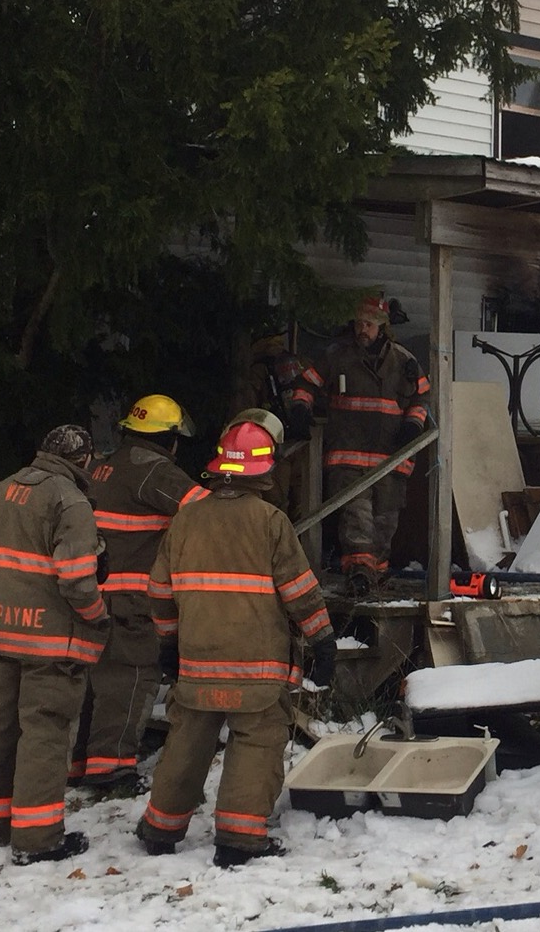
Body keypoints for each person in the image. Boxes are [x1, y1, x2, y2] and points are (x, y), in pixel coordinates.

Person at [135, 411, 337, 867]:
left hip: (197, 664)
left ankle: (160, 829)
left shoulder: (185, 521)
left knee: (187, 741)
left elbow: (160, 592)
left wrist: (169, 643)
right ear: (266, 469)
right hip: (257, 669)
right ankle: (240, 839)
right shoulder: (270, 521)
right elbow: (299, 592)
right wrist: (322, 641)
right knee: (256, 742)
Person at [0, 424, 110, 865]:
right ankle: (37, 838)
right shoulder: (70, 501)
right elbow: (77, 580)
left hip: (3, 633)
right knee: (44, 734)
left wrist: (12, 599)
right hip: (53, 643)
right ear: (84, 459)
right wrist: (98, 619)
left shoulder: (2, 490)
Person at [72, 394, 208, 796]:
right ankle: (111, 770)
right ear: (169, 438)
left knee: (93, 681)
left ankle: (80, 762)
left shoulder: (102, 468)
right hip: (130, 600)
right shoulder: (154, 471)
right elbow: (208, 515)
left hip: (90, 595)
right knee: (130, 680)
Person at [310, 294, 429, 592]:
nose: (363, 329)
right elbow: (305, 384)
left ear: (382, 327)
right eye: (359, 323)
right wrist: (300, 409)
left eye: (370, 324)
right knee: (356, 518)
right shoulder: (337, 356)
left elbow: (423, 395)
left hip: (390, 460)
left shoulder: (404, 361)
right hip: (348, 457)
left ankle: (376, 576)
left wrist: (414, 422)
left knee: (384, 524)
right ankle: (360, 575)